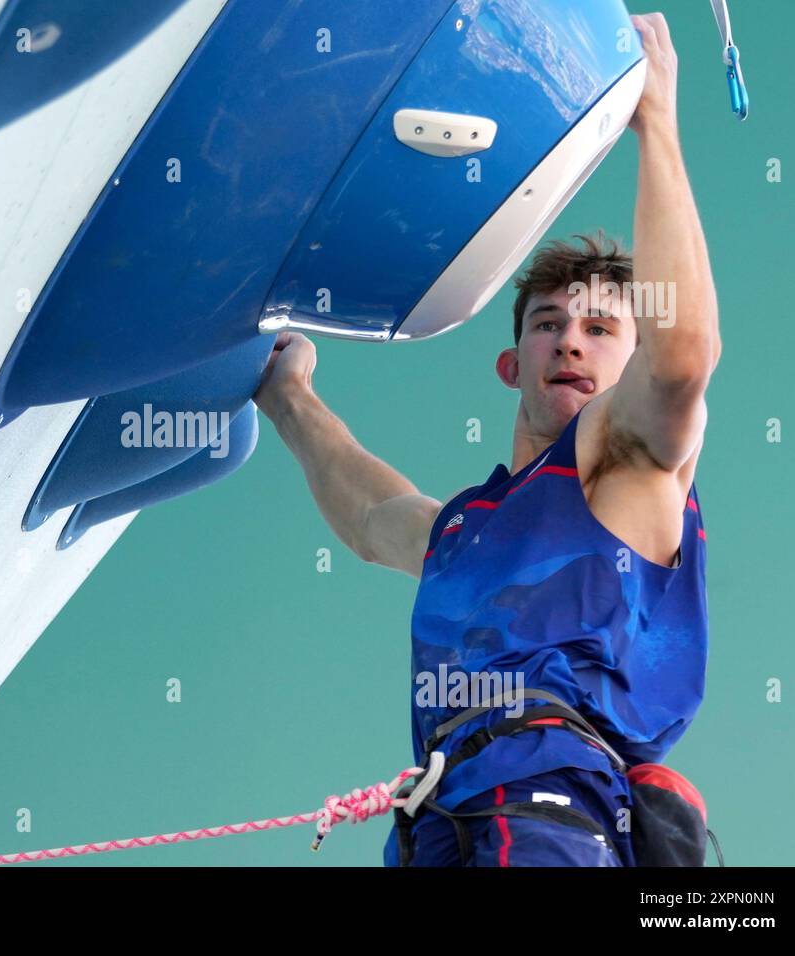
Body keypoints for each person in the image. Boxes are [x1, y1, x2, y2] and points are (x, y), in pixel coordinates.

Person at [253, 13, 721, 867]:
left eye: (600, 328)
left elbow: (684, 359)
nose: (571, 341)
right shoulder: (465, 532)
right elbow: (370, 515)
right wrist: (286, 397)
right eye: (549, 324)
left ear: (631, 362)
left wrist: (657, 125)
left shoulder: (629, 470)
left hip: (553, 812)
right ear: (512, 365)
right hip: (446, 824)